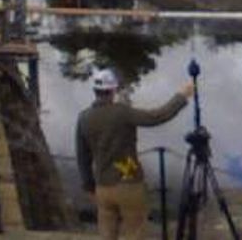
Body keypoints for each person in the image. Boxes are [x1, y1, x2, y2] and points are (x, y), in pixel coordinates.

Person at [76, 69, 192, 240]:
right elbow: (157, 116)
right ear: (113, 90)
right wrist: (182, 96)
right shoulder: (122, 112)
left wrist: (88, 186)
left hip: (102, 187)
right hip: (128, 184)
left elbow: (83, 157)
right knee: (135, 233)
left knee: (107, 234)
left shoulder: (83, 117)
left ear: (95, 91)